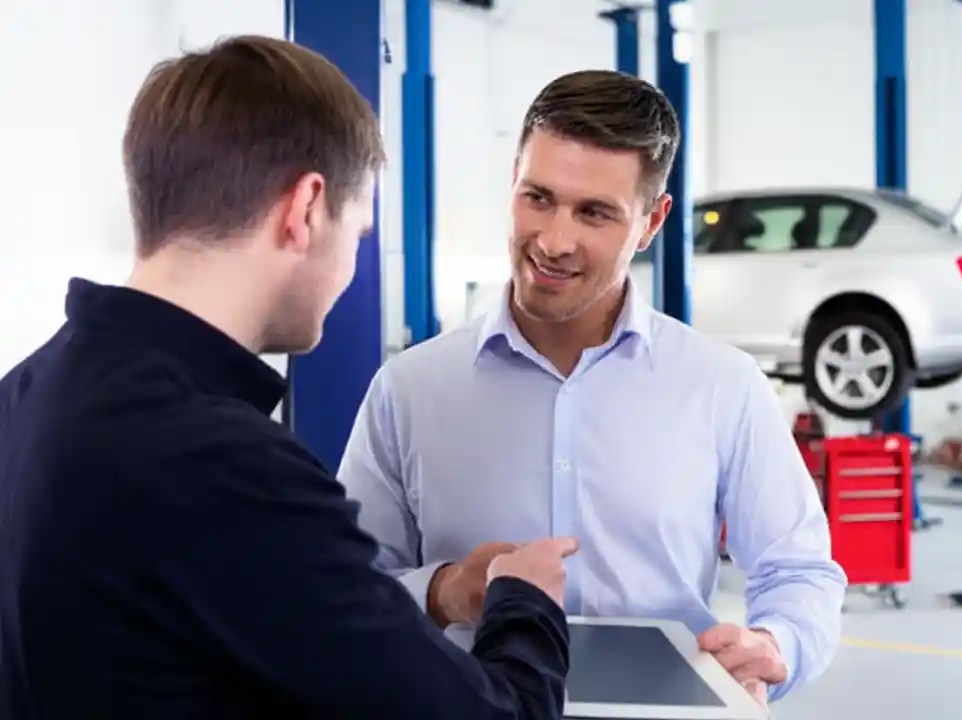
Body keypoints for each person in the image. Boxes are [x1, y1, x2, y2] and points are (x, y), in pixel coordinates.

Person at [0, 35, 579, 719]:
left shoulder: (26, 394)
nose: (349, 270)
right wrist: (525, 603)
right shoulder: (223, 463)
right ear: (305, 208)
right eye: (358, 233)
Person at [337, 69, 848, 705]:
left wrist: (776, 645)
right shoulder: (409, 390)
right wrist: (444, 592)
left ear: (652, 221)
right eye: (538, 198)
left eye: (595, 213)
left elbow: (798, 568)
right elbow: (346, 589)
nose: (554, 241)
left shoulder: (723, 387)